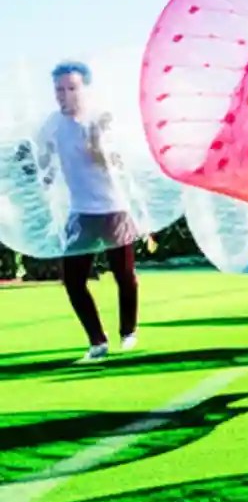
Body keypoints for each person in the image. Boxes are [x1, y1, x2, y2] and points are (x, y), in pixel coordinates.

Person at [37, 61, 142, 363]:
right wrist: (42, 173)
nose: (64, 95)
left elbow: (111, 164)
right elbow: (46, 159)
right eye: (59, 89)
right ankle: (97, 341)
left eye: (71, 88)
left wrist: (96, 139)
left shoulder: (102, 120)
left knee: (124, 275)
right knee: (72, 279)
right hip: (81, 213)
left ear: (85, 89)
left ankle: (128, 331)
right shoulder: (52, 123)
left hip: (114, 209)